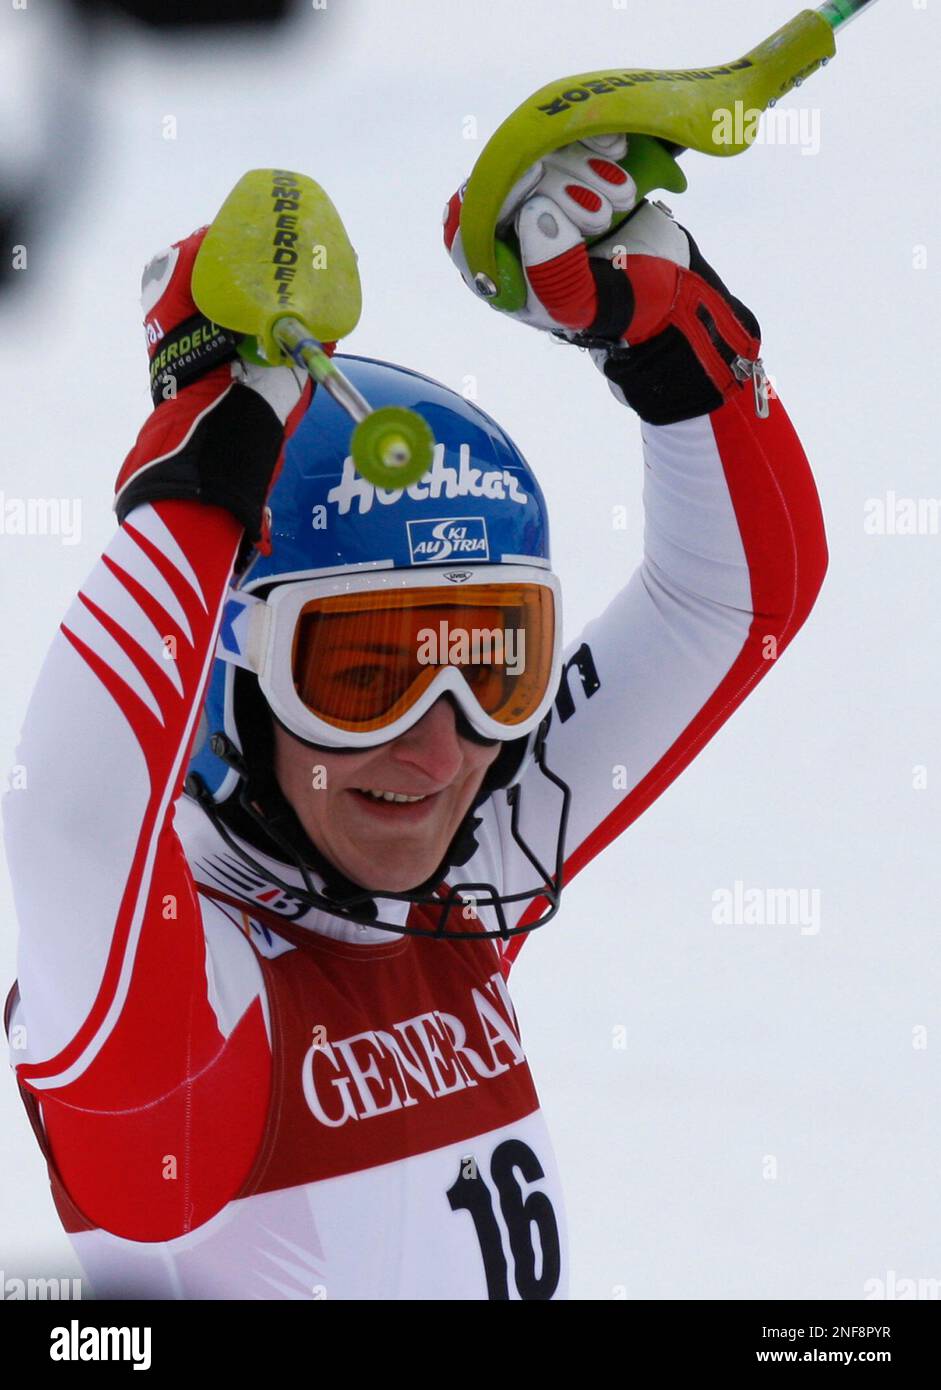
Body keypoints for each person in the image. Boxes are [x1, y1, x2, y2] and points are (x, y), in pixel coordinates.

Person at [3, 138, 827, 1300]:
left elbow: (732, 595)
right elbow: (72, 825)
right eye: (359, 677)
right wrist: (202, 456)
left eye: (494, 665)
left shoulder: (451, 889)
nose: (438, 749)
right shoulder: (197, 987)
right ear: (231, 677)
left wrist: (666, 325)